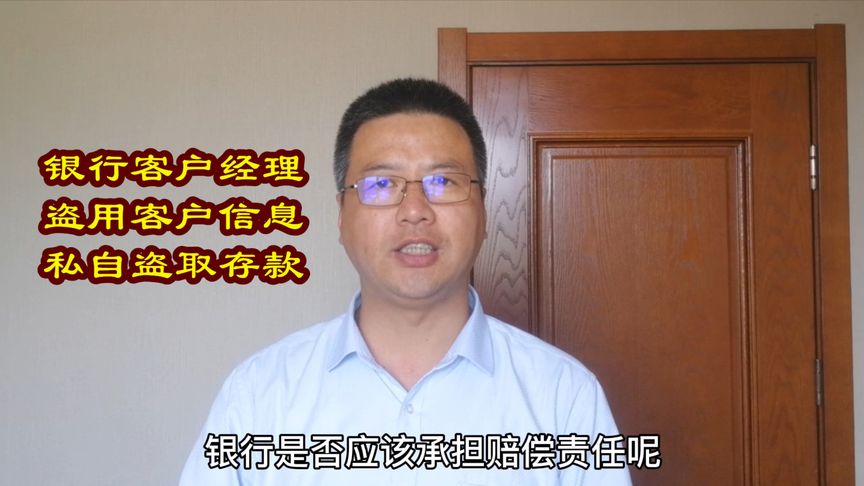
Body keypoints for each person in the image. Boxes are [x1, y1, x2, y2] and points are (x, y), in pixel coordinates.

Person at [179, 78, 633, 485]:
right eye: (380, 185)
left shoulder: (563, 396)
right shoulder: (259, 394)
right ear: (341, 216)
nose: (415, 211)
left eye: (443, 182)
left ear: (483, 212)